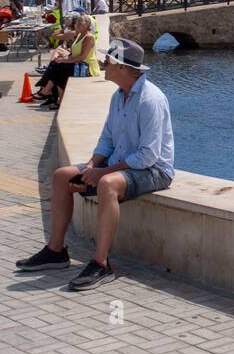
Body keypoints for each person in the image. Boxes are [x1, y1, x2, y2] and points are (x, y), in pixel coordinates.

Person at [15, 39, 173, 290]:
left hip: (154, 171)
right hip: (123, 164)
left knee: (108, 184)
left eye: (108, 61)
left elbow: (148, 156)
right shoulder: (117, 96)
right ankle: (56, 251)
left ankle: (101, 263)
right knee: (61, 176)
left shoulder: (150, 99)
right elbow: (107, 139)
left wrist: (103, 172)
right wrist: (91, 165)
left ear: (122, 67)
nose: (102, 64)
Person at [30, 14, 99, 108]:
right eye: (76, 23)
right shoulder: (79, 35)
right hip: (78, 64)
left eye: (80, 23)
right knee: (56, 64)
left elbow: (82, 57)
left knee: (60, 68)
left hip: (86, 67)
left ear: (87, 25)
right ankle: (51, 95)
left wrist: (66, 61)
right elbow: (74, 53)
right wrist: (65, 59)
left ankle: (48, 92)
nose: (77, 25)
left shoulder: (88, 37)